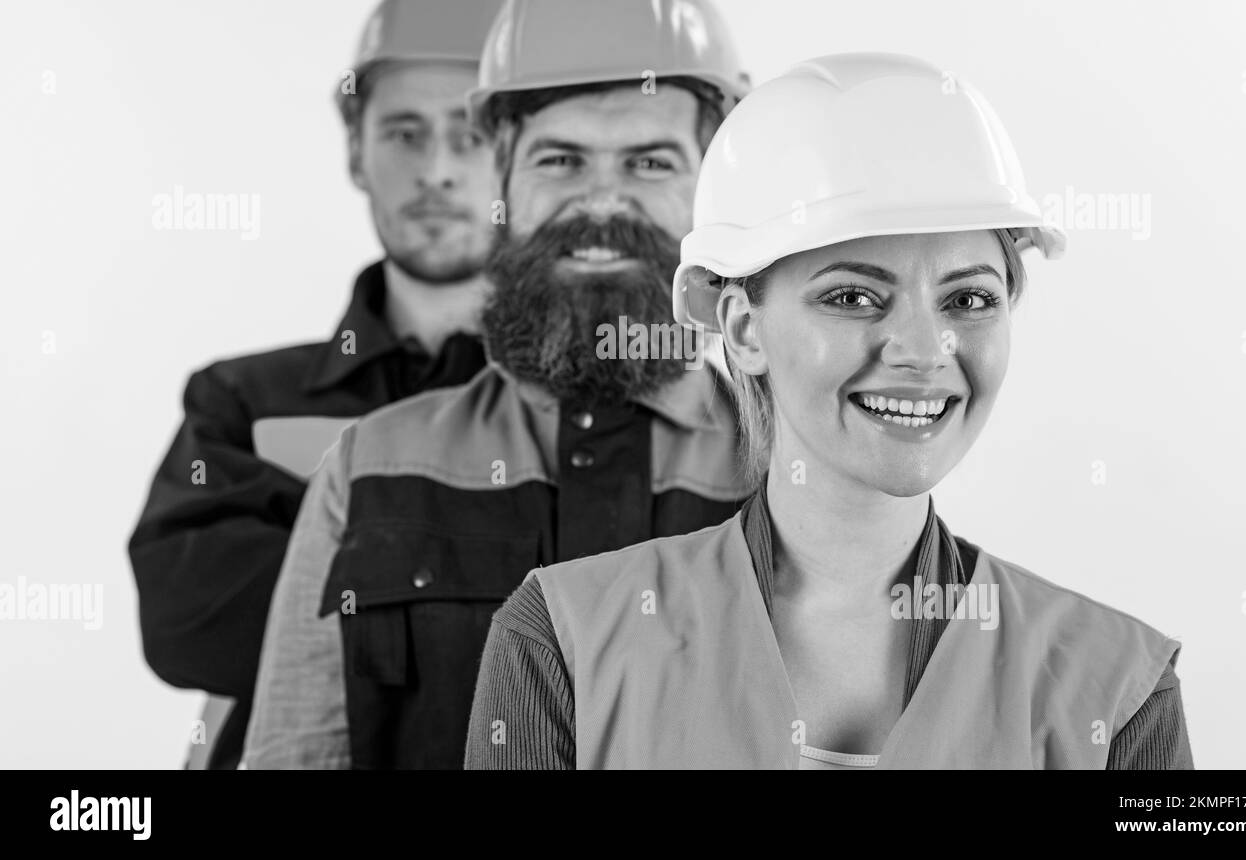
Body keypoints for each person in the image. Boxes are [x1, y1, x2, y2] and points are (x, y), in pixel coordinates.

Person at [466, 53, 1194, 769]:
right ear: (744, 330)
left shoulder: (1117, 692)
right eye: (852, 297)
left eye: (968, 300)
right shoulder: (562, 645)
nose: (921, 349)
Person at [243, 0, 754, 770]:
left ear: (713, 191)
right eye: (560, 160)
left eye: (650, 163)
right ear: (503, 182)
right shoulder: (368, 472)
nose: (601, 200)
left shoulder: (787, 473)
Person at [128, 0, 511, 769]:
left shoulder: (575, 409)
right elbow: (190, 623)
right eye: (404, 132)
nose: (436, 169)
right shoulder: (244, 403)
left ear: (521, 157)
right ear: (354, 150)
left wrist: (336, 569)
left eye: (469, 135)